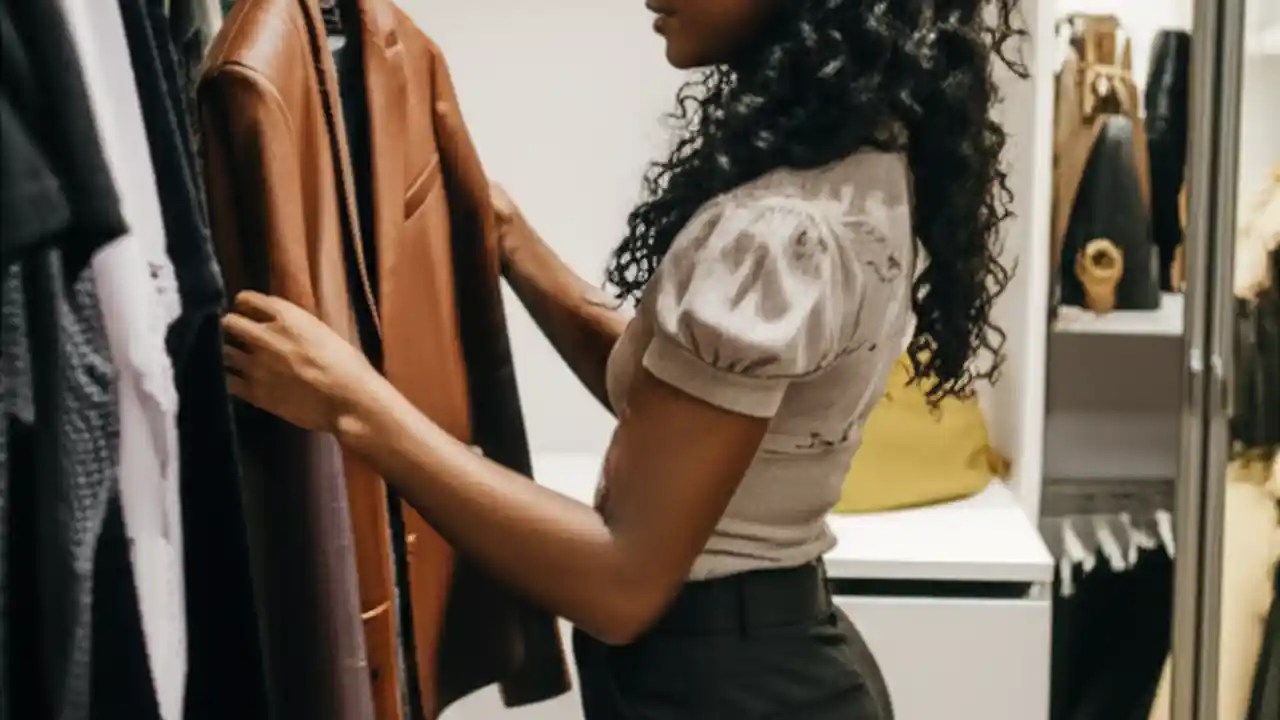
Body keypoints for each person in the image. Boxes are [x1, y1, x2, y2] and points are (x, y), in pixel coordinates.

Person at [220, 0, 1024, 716]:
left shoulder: (780, 231)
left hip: (725, 684)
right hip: (761, 658)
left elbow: (620, 585)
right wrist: (508, 239)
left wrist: (352, 404)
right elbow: (671, 404)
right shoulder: (856, 170)